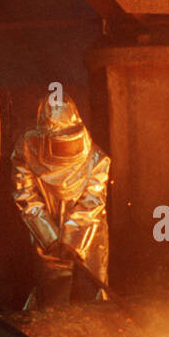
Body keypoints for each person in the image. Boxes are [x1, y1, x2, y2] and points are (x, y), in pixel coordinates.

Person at [10, 92, 111, 309]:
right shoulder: (27, 151)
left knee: (94, 290)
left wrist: (72, 241)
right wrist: (51, 239)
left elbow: (92, 202)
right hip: (47, 229)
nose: (67, 152)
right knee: (51, 297)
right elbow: (26, 197)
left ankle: (99, 335)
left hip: (87, 231)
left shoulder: (97, 159)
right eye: (59, 144)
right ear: (44, 138)